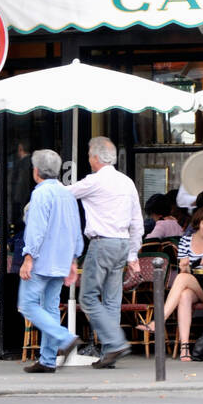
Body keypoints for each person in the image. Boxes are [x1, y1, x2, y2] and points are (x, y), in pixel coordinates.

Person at [70, 136, 143, 369]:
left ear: (96, 157)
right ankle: (110, 352)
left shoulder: (94, 181)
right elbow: (136, 221)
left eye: (90, 155)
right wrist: (133, 254)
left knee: (88, 298)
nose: (89, 159)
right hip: (122, 243)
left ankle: (114, 342)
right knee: (112, 300)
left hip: (102, 243)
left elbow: (64, 193)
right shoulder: (126, 182)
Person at [17, 148, 84, 375]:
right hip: (62, 259)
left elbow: (36, 229)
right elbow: (76, 227)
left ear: (36, 171)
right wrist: (74, 258)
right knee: (50, 306)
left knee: (27, 304)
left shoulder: (40, 194)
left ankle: (65, 338)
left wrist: (28, 257)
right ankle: (47, 359)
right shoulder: (67, 193)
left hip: (42, 259)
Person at [149, 206, 203, 361]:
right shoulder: (186, 241)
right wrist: (184, 266)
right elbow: (185, 272)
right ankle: (185, 347)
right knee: (185, 295)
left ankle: (159, 320)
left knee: (181, 280)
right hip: (194, 284)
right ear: (198, 223)